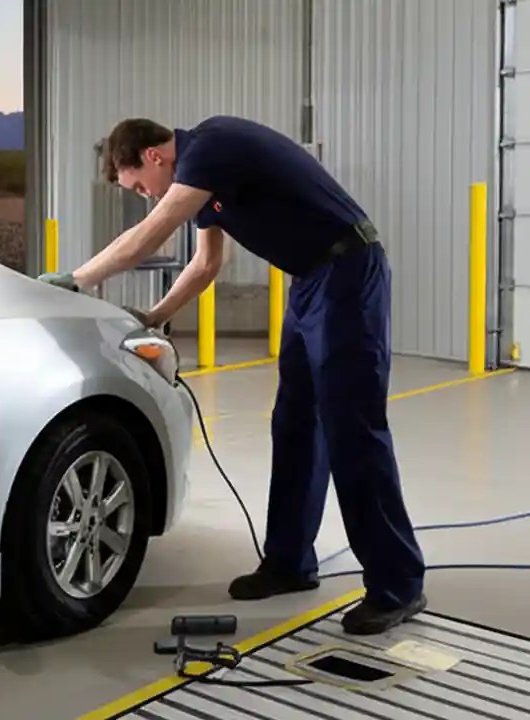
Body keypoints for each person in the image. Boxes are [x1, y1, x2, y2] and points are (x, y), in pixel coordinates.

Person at [38, 115, 426, 635]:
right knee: (294, 426)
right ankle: (289, 562)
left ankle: (397, 585)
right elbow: (204, 265)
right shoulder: (205, 176)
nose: (146, 197)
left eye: (139, 186)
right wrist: (154, 317)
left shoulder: (212, 148)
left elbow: (150, 234)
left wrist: (78, 281)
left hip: (349, 274)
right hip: (312, 282)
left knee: (352, 431)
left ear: (154, 157)